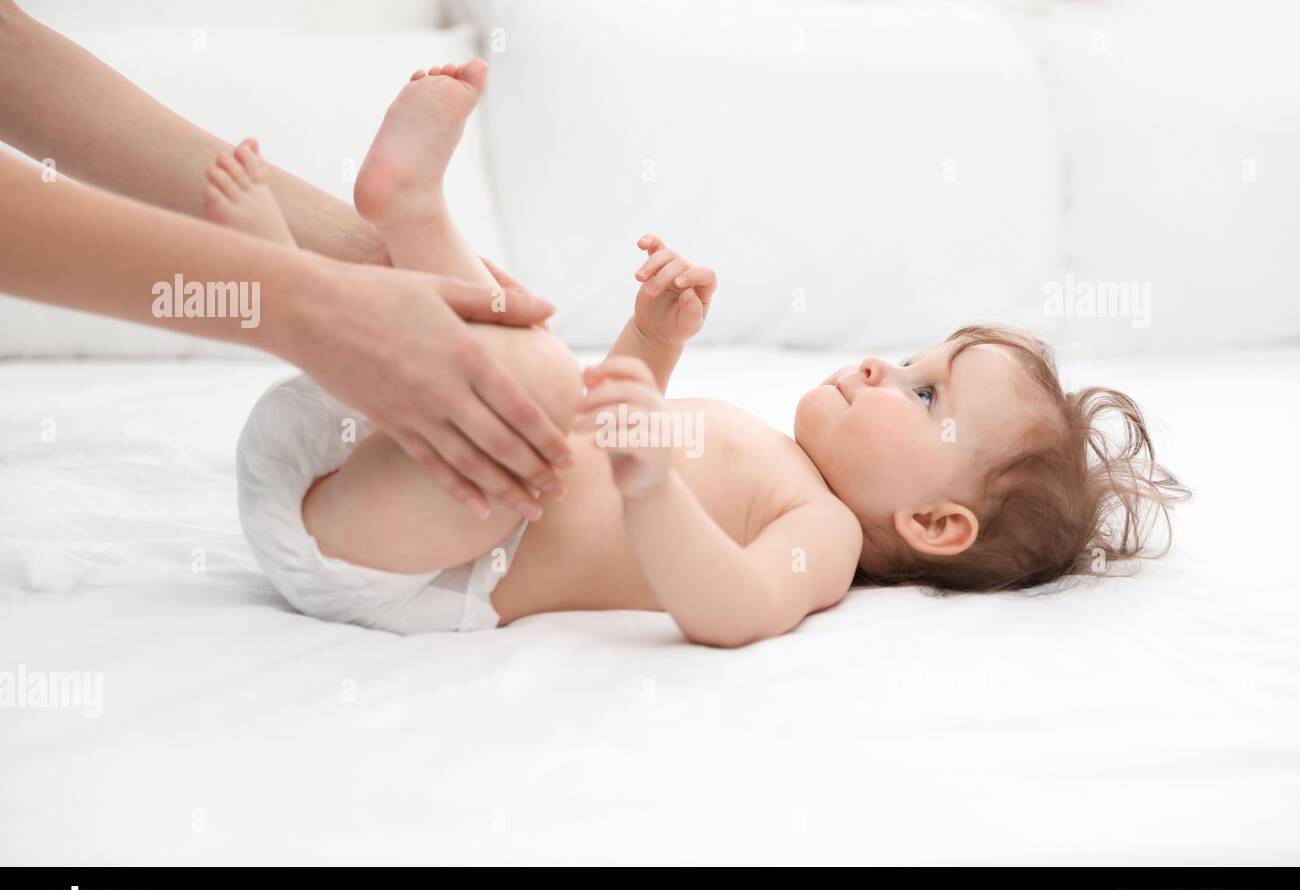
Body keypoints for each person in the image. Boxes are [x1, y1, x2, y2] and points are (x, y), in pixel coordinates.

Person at [232, 60, 1192, 643]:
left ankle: (337, 254)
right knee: (537, 366)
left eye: (926, 396)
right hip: (381, 460)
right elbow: (592, 433)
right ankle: (400, 220)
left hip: (414, 563)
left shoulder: (825, 535)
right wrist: (650, 341)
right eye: (910, 359)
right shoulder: (771, 453)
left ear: (937, 524)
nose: (878, 371)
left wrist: (652, 487)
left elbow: (733, 606)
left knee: (533, 377)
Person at [0, 1, 572, 522]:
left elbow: (7, 46)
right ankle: (404, 213)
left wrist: (349, 263)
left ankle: (397, 221)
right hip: (396, 513)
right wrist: (303, 301)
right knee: (538, 384)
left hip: (356, 514)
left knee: (530, 376)